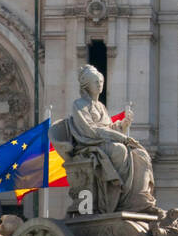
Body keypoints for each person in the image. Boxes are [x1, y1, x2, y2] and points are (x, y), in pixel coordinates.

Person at [61, 64, 158, 214]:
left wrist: (123, 125)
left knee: (141, 154)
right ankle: (119, 198)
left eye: (101, 82)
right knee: (120, 151)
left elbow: (109, 127)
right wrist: (119, 137)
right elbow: (91, 130)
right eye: (96, 82)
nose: (100, 85)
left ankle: (138, 197)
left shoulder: (100, 106)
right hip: (90, 144)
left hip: (105, 142)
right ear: (87, 85)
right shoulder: (79, 105)